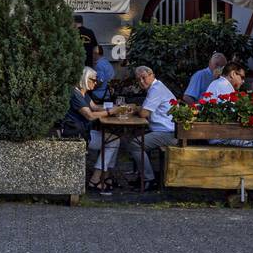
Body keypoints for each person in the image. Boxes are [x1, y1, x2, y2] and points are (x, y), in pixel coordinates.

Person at [107, 64, 176, 192]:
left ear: (152, 75)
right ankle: (140, 176)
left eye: (144, 77)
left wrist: (135, 108)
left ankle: (149, 180)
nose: (141, 81)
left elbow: (144, 113)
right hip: (163, 130)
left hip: (168, 133)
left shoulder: (156, 89)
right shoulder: (155, 87)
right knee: (131, 139)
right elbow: (145, 111)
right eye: (138, 80)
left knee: (135, 144)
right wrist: (137, 108)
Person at [62, 67, 116, 194]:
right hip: (77, 134)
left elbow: (95, 107)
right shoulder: (75, 95)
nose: (95, 83)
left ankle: (105, 176)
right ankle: (96, 179)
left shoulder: (83, 93)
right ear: (85, 79)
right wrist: (110, 112)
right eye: (93, 80)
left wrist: (115, 108)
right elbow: (90, 115)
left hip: (84, 131)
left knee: (113, 139)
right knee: (113, 141)